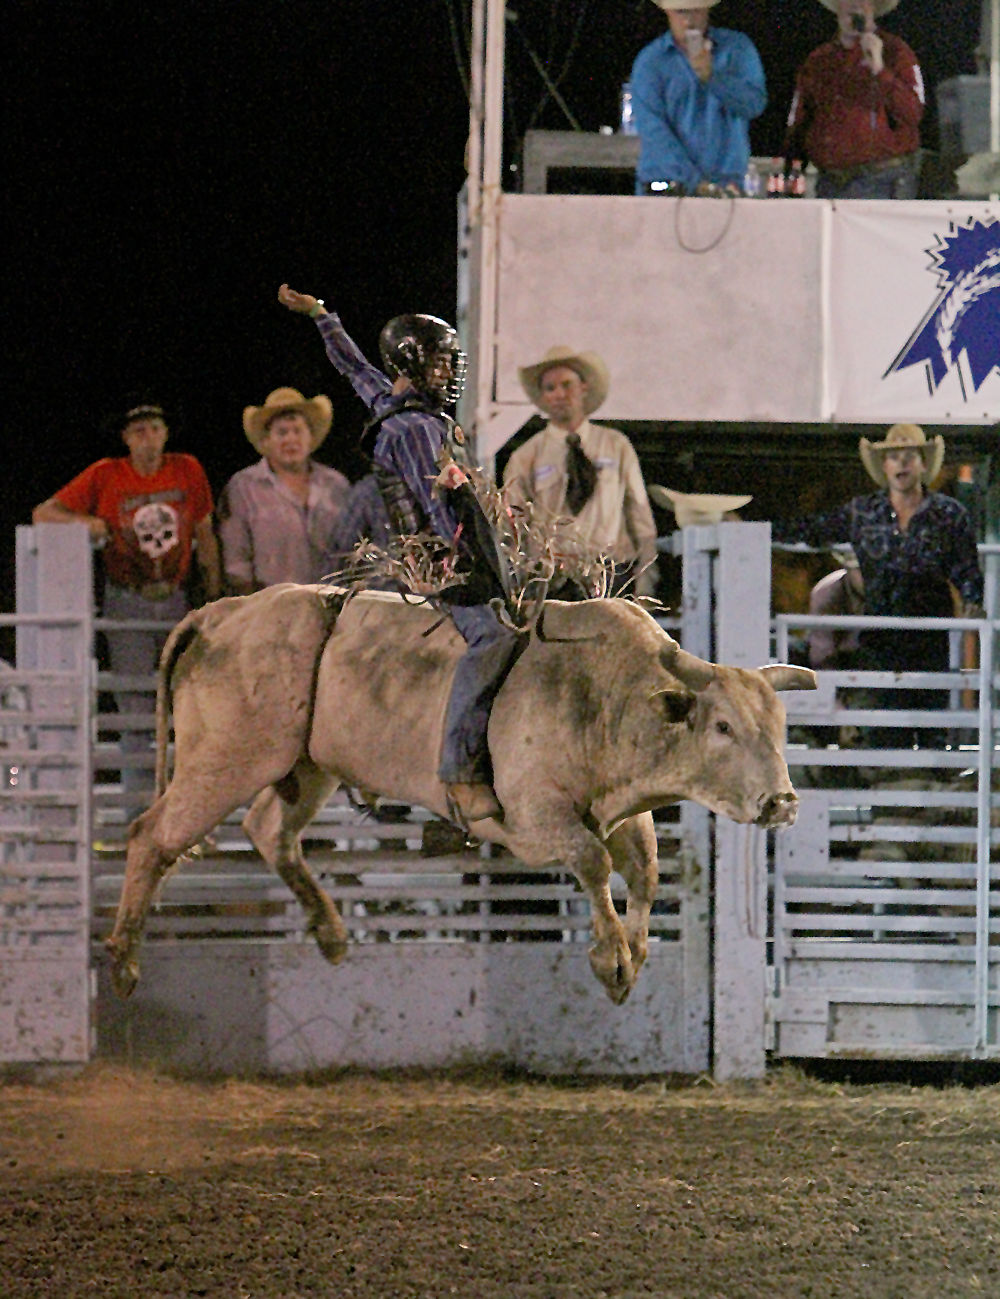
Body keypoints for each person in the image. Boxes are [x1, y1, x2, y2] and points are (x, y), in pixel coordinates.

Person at [277, 283, 518, 827]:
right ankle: (460, 769)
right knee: (493, 636)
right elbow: (441, 512)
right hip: (439, 566)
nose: (447, 372)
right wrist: (480, 567)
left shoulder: (394, 407)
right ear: (413, 362)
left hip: (424, 559)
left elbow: (355, 369)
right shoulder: (414, 429)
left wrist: (321, 315)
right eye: (438, 363)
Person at [32, 401, 221, 817]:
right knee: (136, 705)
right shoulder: (106, 474)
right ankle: (140, 815)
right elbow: (44, 513)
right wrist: (87, 524)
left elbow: (205, 533)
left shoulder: (187, 468)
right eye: (138, 431)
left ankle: (190, 814)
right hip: (127, 596)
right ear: (125, 438)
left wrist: (213, 593)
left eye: (154, 428)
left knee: (192, 703)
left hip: (175, 595)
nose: (147, 438)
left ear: (166, 433)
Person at [773, 424, 984, 748]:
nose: (902, 464)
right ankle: (892, 791)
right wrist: (757, 529)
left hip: (929, 637)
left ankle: (925, 786)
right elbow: (812, 528)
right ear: (884, 466)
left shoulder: (948, 514)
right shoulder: (863, 512)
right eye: (894, 457)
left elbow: (967, 569)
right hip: (880, 639)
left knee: (931, 730)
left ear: (922, 464)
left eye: (909, 457)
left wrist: (972, 603)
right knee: (884, 729)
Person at [504, 346, 659, 598]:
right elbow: (514, 527)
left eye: (567, 385)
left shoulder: (615, 446)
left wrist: (646, 586)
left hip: (611, 572)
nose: (559, 394)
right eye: (550, 388)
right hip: (553, 579)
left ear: (583, 387)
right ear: (542, 397)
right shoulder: (526, 457)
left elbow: (640, 518)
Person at [784, 0, 924, 200]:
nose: (855, 5)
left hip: (882, 180)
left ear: (874, 9)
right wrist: (792, 166)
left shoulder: (896, 52)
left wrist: (880, 69)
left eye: (864, 1)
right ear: (837, 9)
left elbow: (912, 113)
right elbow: (800, 118)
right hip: (830, 182)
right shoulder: (819, 59)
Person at [217, 387, 349, 593]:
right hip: (270, 606)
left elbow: (351, 550)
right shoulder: (244, 486)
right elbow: (236, 561)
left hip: (331, 604)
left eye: (297, 431)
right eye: (281, 432)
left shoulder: (336, 485)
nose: (290, 439)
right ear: (266, 440)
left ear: (310, 437)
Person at [630, 0, 767, 196]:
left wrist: (713, 78)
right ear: (667, 12)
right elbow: (654, 131)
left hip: (725, 183)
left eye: (695, 12)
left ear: (707, 10)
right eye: (680, 12)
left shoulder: (737, 49)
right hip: (666, 183)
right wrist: (696, 182)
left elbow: (754, 105)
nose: (688, 21)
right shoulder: (651, 61)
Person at [807, 547, 865, 672]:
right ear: (847, 569)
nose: (868, 577)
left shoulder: (893, 591)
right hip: (838, 659)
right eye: (860, 570)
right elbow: (821, 653)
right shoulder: (826, 592)